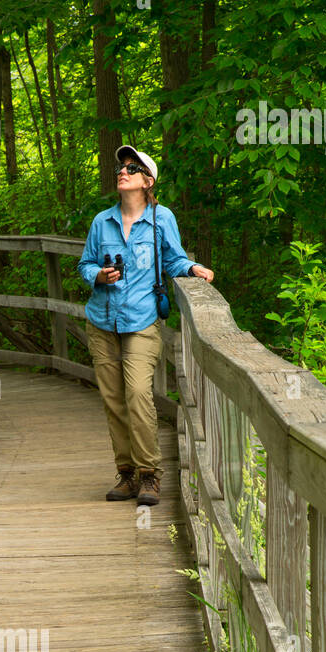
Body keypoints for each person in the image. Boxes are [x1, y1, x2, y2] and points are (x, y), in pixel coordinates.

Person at [77, 146, 214, 504]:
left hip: (141, 319)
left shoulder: (161, 217)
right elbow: (84, 265)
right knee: (113, 399)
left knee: (138, 392)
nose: (123, 172)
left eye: (132, 168)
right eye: (121, 167)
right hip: (102, 320)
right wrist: (99, 276)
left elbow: (174, 257)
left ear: (148, 181)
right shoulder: (100, 221)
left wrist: (192, 269)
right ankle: (126, 475)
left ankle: (150, 474)